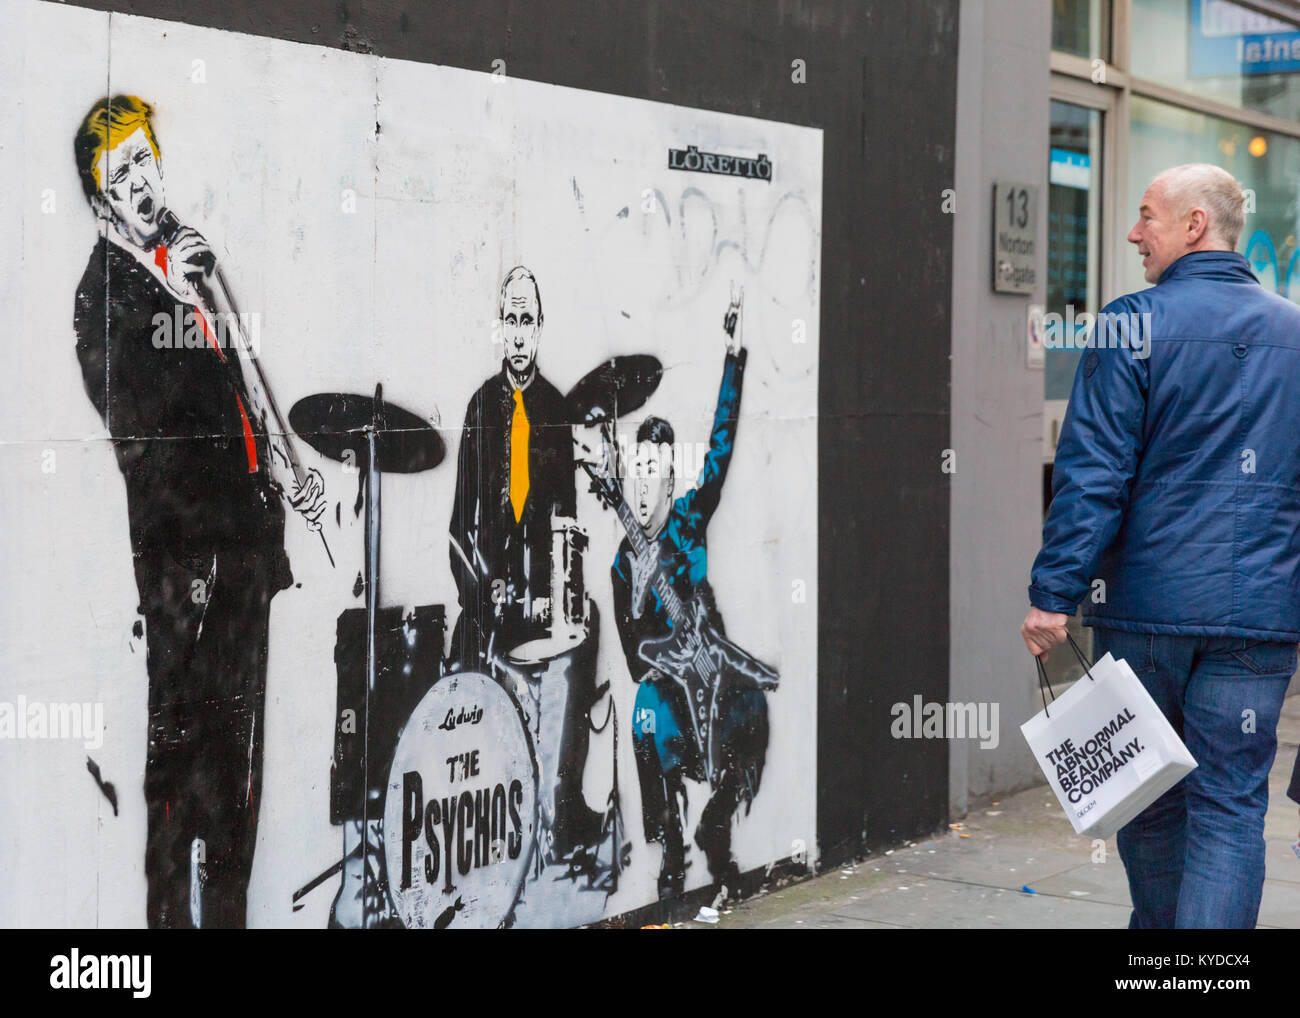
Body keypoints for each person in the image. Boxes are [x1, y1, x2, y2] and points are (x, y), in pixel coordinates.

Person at [1021, 163, 1300, 929]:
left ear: (1194, 225)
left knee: (1146, 795)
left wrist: (1054, 595)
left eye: (1147, 216)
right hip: (1259, 624)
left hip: (1146, 615)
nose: (1134, 232)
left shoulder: (1130, 325)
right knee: (1232, 807)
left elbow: (1093, 475)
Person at [71, 95, 326, 927]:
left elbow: (243, 369)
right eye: (123, 174)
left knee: (236, 782)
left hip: (244, 553)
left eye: (147, 159)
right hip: (185, 573)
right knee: (177, 785)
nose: (143, 182)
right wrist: (180, 305)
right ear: (101, 199)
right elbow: (143, 429)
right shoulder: (102, 296)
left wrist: (284, 466)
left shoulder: (186, 254)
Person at [609, 288, 775, 901]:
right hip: (671, 693)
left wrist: (734, 355)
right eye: (639, 473)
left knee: (755, 709)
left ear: (671, 478)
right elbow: (631, 660)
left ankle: (715, 828)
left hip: (718, 679)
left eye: (658, 472)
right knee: (644, 714)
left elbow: (722, 447)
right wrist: (650, 626)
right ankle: (672, 847)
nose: (648, 487)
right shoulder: (623, 564)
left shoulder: (688, 521)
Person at [447, 265, 603, 859]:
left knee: (580, 635)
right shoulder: (480, 407)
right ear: (500, 327)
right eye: (509, 320)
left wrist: (551, 591)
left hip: (542, 595)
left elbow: (564, 518)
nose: (518, 333)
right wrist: (484, 591)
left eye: (527, 321)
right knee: (471, 670)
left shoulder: (556, 411)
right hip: (489, 597)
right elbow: (459, 527)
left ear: (540, 329)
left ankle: (559, 811)